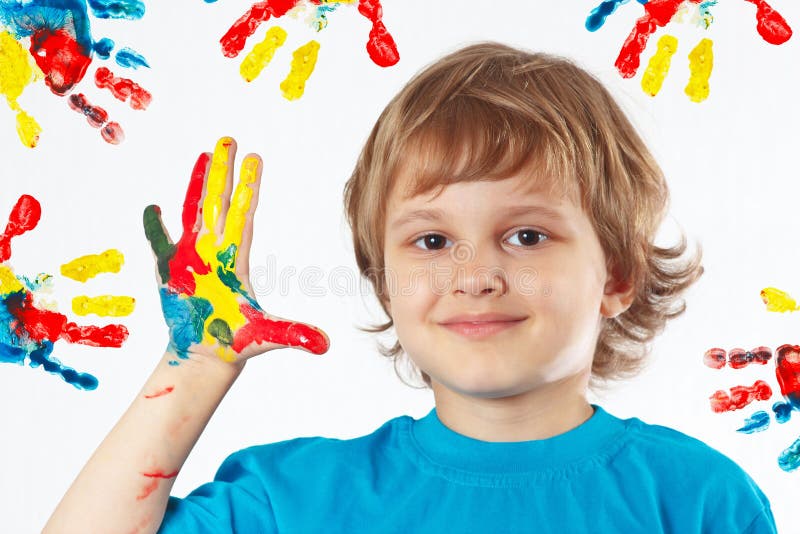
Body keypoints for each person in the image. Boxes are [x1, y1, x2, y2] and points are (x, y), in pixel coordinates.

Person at [44, 42, 776, 533]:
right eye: (432, 241)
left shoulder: (698, 498)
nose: (477, 276)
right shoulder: (299, 498)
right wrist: (194, 367)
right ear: (385, 282)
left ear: (616, 274)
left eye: (527, 236)